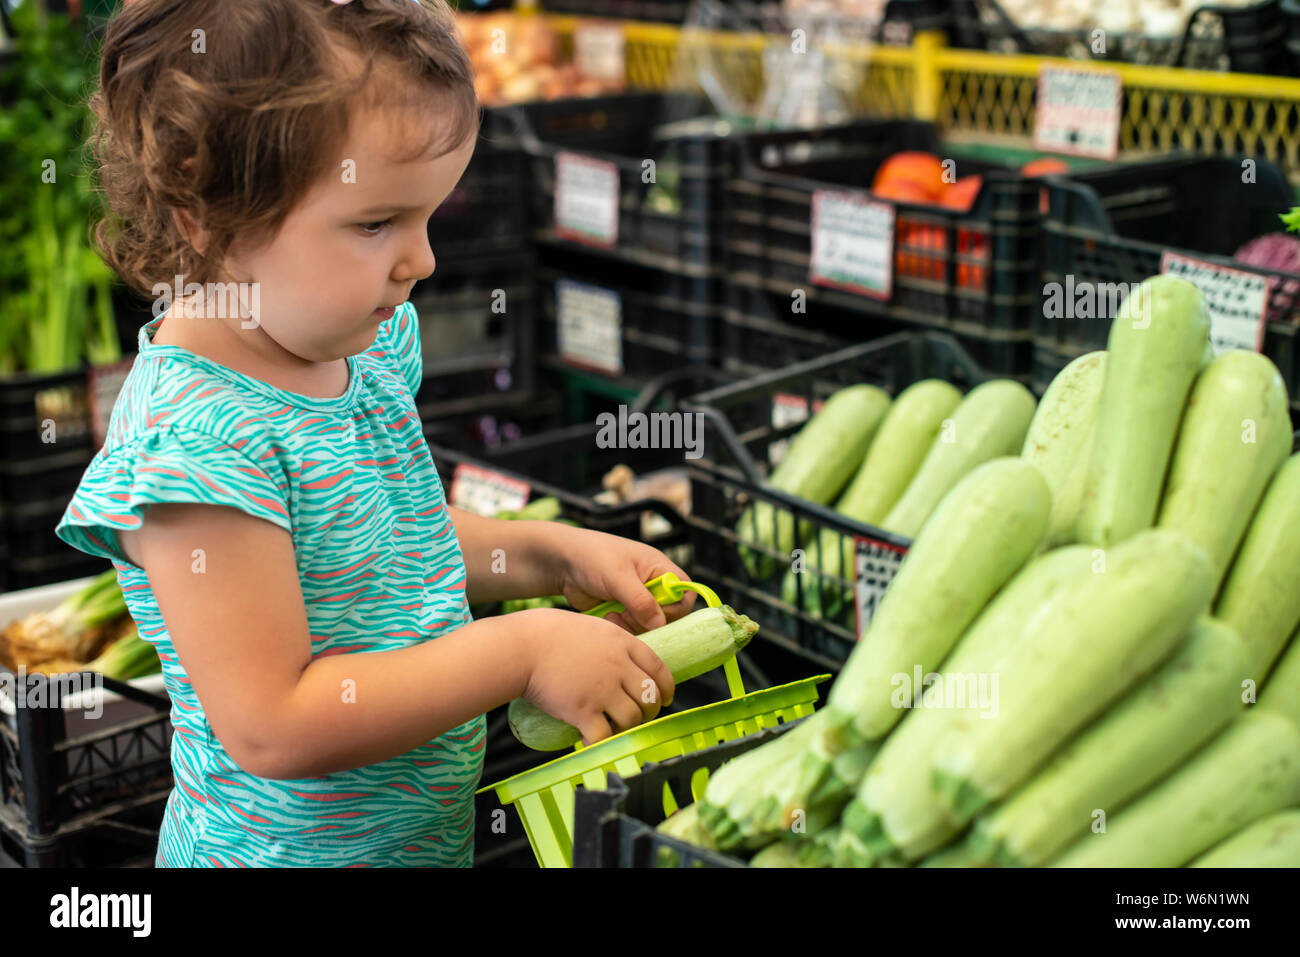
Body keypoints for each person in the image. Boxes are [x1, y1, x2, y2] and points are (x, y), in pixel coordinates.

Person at [56, 0, 692, 868]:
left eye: (426, 216)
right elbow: (274, 723)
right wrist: (523, 648)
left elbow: (387, 536)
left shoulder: (360, 343)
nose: (421, 259)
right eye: (374, 224)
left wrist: (547, 555)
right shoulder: (197, 444)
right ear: (205, 209)